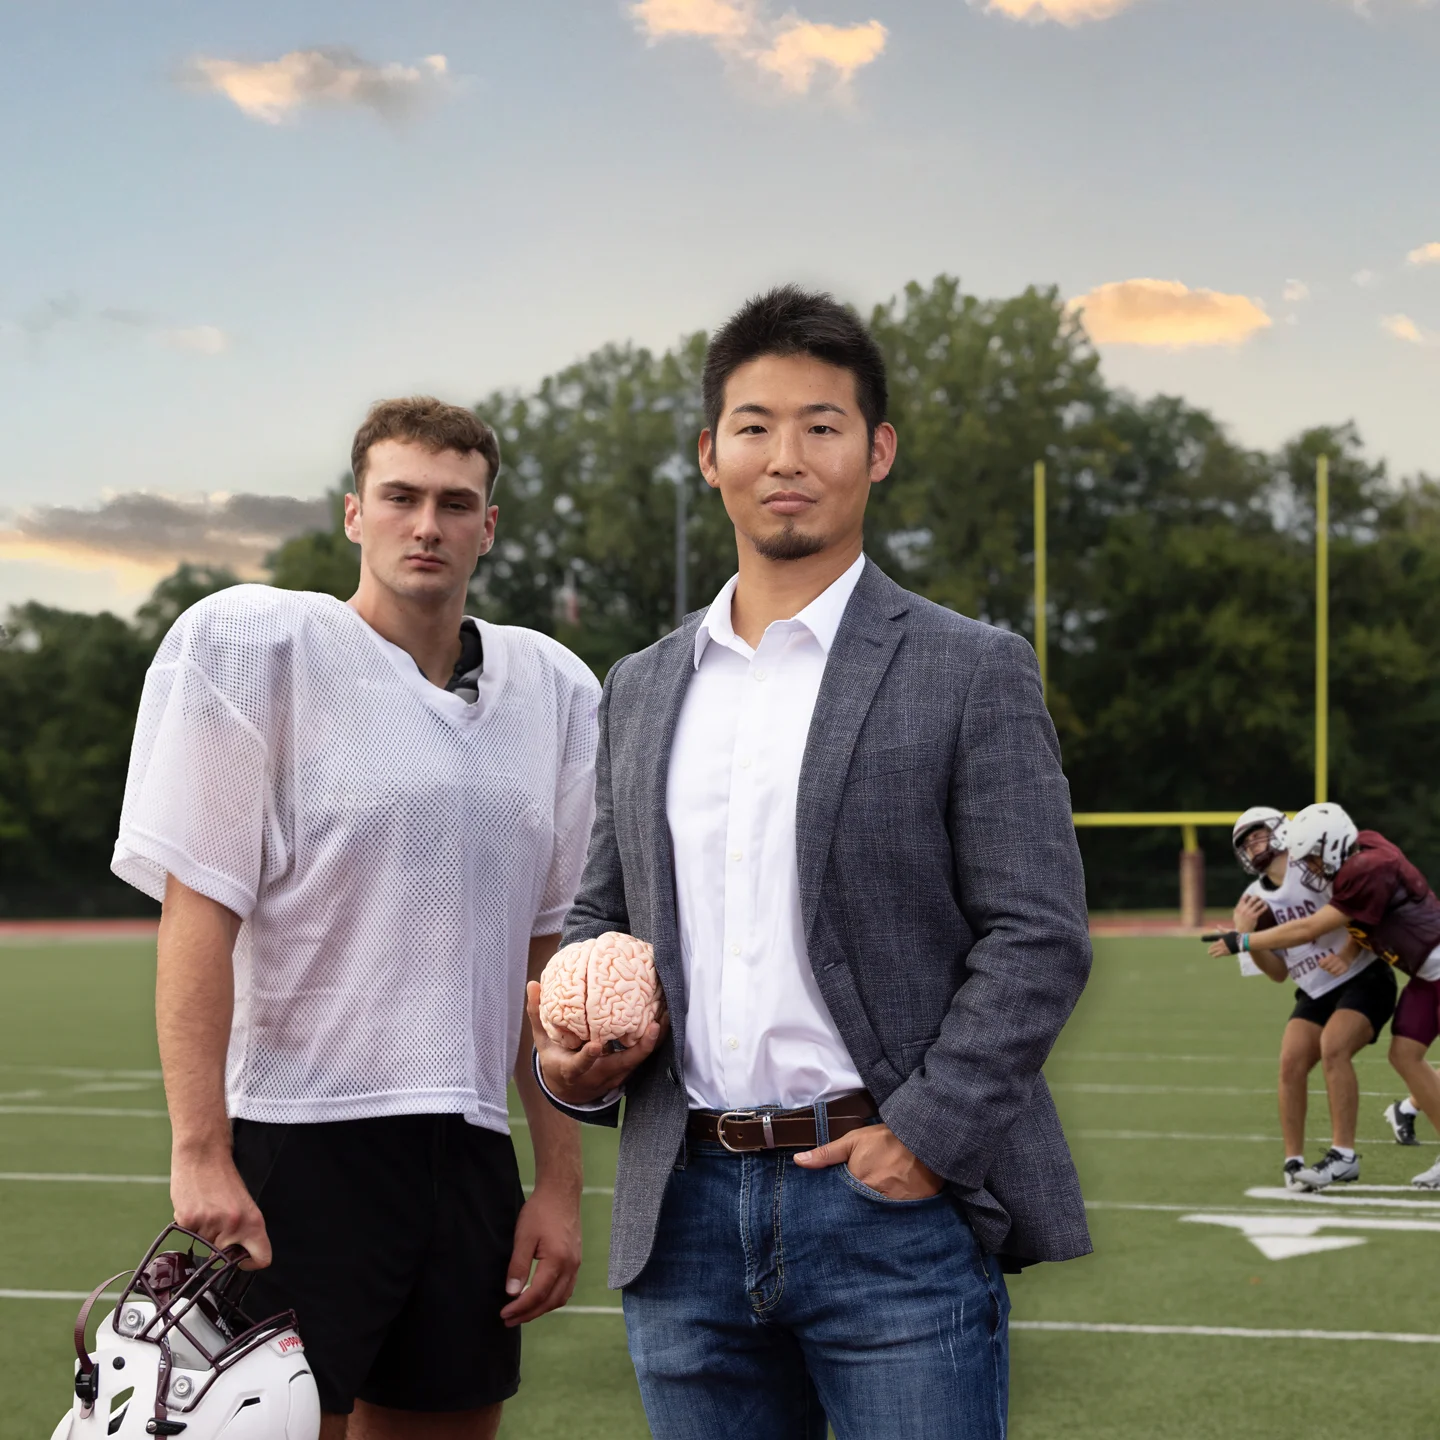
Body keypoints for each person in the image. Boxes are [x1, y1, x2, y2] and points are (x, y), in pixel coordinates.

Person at [532, 286, 1093, 1439]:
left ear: (876, 451)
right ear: (709, 455)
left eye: (823, 425)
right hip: (680, 1209)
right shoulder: (640, 684)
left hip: (882, 1205)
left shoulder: (968, 667)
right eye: (754, 425)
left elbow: (1037, 934)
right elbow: (601, 912)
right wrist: (571, 1064)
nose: (786, 456)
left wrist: (925, 1139)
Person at [111, 397, 599, 1439]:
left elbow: (545, 956)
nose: (427, 523)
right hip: (300, 1137)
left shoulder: (551, 691)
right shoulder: (265, 648)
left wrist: (558, 1180)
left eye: (455, 502)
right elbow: (200, 913)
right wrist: (200, 1146)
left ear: (488, 526)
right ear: (354, 514)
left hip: (467, 1148)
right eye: (402, 497)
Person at [1208, 802, 1440, 1190]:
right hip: (1414, 978)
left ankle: (1350, 1150)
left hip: (1384, 976)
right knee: (1395, 1055)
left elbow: (1323, 923)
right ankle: (1299, 1160)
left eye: (1258, 836)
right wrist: (1249, 939)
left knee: (1341, 1047)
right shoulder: (1279, 887)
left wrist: (1242, 939)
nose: (1312, 867)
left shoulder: (1360, 866)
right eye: (1244, 844)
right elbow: (1286, 968)